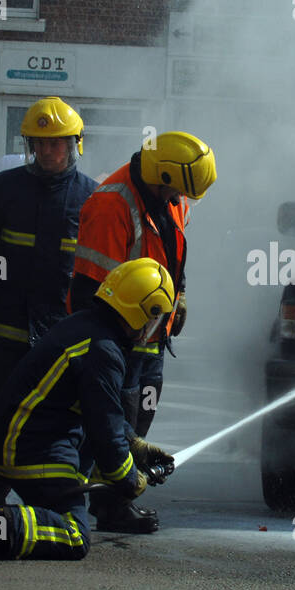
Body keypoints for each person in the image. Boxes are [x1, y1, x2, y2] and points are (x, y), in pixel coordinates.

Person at [0, 258, 179, 561]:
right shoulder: (104, 352)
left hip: (10, 442)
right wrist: (130, 479)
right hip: (28, 450)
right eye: (156, 319)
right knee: (75, 534)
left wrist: (136, 446)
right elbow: (104, 430)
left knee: (87, 447)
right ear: (146, 312)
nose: (153, 328)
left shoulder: (86, 327)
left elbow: (103, 411)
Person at [0, 97, 96, 480]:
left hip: (64, 332)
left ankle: (62, 490)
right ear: (30, 146)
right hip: (9, 328)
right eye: (39, 143)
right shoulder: (5, 188)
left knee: (66, 413)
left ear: (74, 145)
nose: (47, 150)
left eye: (56, 143)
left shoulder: (92, 198)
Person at [69, 132, 216, 439]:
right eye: (177, 190)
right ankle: (108, 484)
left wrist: (181, 291)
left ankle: (121, 477)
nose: (180, 197)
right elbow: (89, 291)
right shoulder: (111, 206)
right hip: (115, 346)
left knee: (137, 426)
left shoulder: (173, 196)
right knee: (111, 433)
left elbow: (174, 248)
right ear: (162, 176)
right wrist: (107, 356)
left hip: (151, 339)